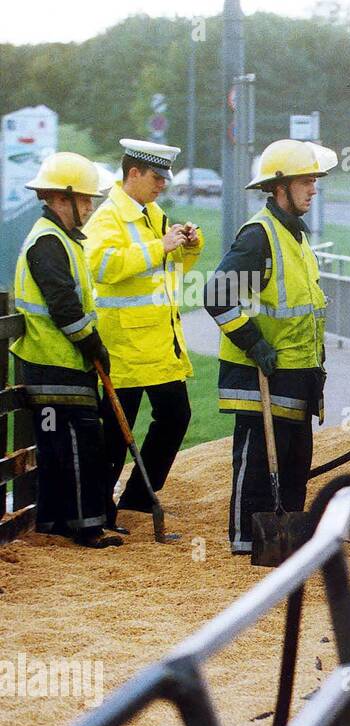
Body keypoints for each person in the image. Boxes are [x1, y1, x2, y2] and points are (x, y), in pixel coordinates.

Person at [203, 139, 336, 555]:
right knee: (258, 464)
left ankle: (284, 545)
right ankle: (245, 543)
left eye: (315, 180)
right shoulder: (259, 237)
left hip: (296, 375)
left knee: (294, 465)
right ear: (280, 187)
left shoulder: (295, 236)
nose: (313, 189)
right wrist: (254, 342)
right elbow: (217, 296)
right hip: (262, 374)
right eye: (306, 181)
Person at [83, 140, 203, 532]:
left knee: (175, 416)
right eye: (156, 177)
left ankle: (136, 499)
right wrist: (158, 247)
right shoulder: (107, 217)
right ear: (133, 173)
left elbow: (170, 269)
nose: (162, 184)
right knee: (115, 433)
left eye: (165, 177)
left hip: (158, 344)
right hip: (124, 346)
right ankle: (99, 511)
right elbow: (101, 267)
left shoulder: (153, 213)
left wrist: (188, 246)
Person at [9, 152, 121, 547]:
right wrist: (93, 345)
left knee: (56, 445)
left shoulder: (60, 240)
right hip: (56, 366)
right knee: (78, 443)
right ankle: (86, 527)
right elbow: (64, 306)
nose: (90, 207)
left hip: (56, 364)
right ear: (61, 198)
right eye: (85, 199)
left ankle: (55, 521)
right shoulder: (49, 243)